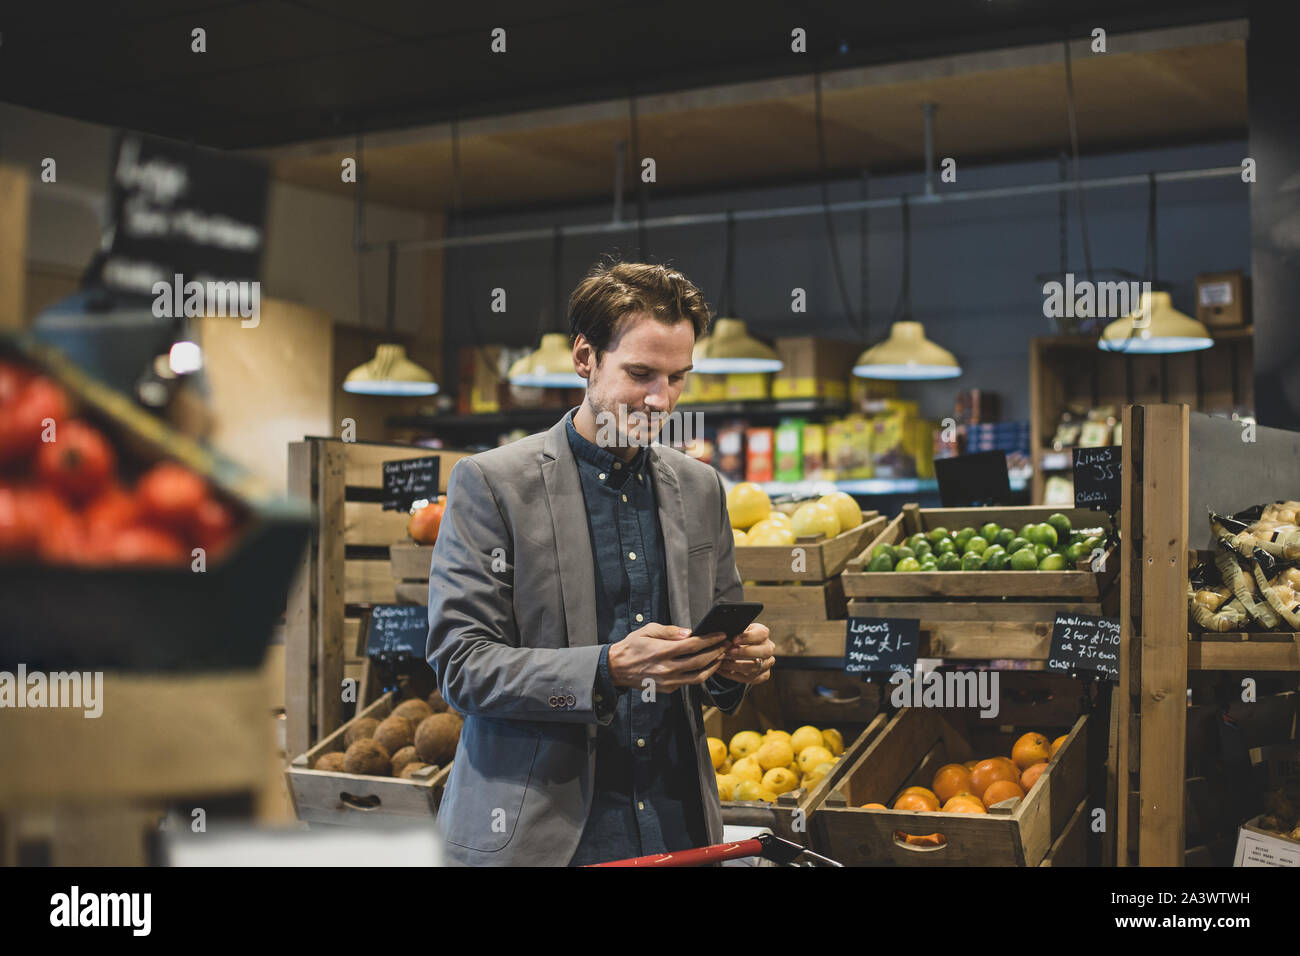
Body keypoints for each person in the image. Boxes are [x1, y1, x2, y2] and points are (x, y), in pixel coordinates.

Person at [426, 260, 775, 866]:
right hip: (542, 836)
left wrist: (733, 663)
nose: (660, 399)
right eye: (640, 373)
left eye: (678, 378)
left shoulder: (701, 489)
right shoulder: (491, 483)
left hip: (677, 827)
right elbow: (462, 666)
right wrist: (606, 670)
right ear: (584, 357)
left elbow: (713, 643)